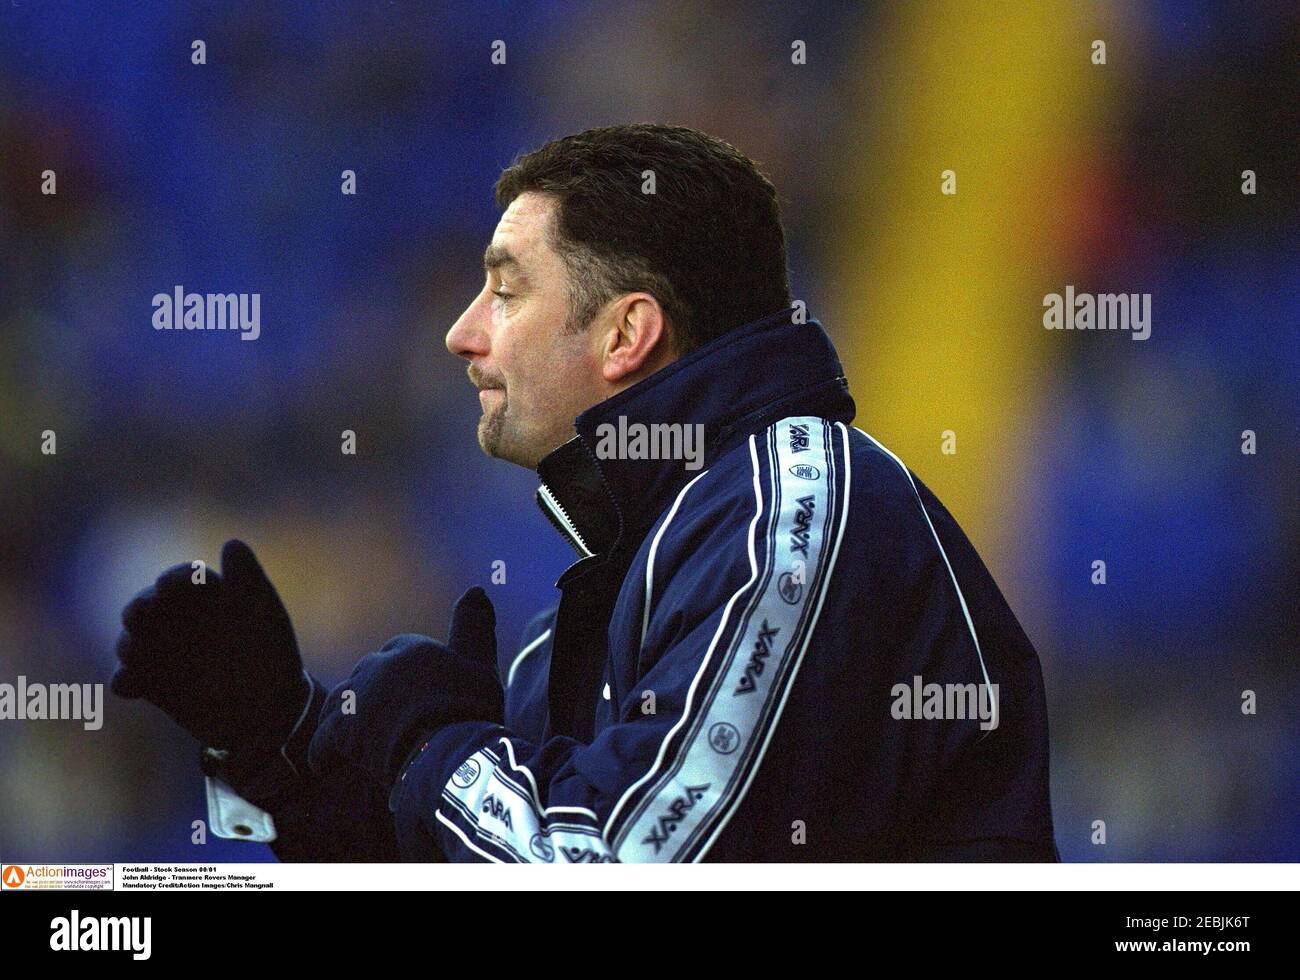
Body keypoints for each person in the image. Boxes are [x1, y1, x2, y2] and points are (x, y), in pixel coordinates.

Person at [112, 124, 1058, 862]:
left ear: (624, 336)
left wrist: (434, 748)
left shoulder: (796, 506)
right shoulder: (585, 625)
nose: (461, 334)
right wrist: (288, 755)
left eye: (506, 290)